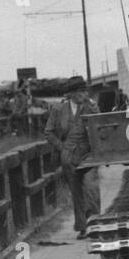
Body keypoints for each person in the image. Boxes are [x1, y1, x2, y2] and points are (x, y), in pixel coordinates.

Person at [45, 76, 97, 237]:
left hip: (88, 155)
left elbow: (100, 125)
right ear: (72, 93)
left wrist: (95, 109)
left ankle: (94, 224)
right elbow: (48, 132)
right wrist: (62, 148)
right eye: (81, 91)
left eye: (85, 90)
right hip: (68, 156)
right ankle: (82, 227)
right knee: (76, 192)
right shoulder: (58, 110)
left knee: (91, 188)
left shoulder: (90, 107)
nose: (84, 93)